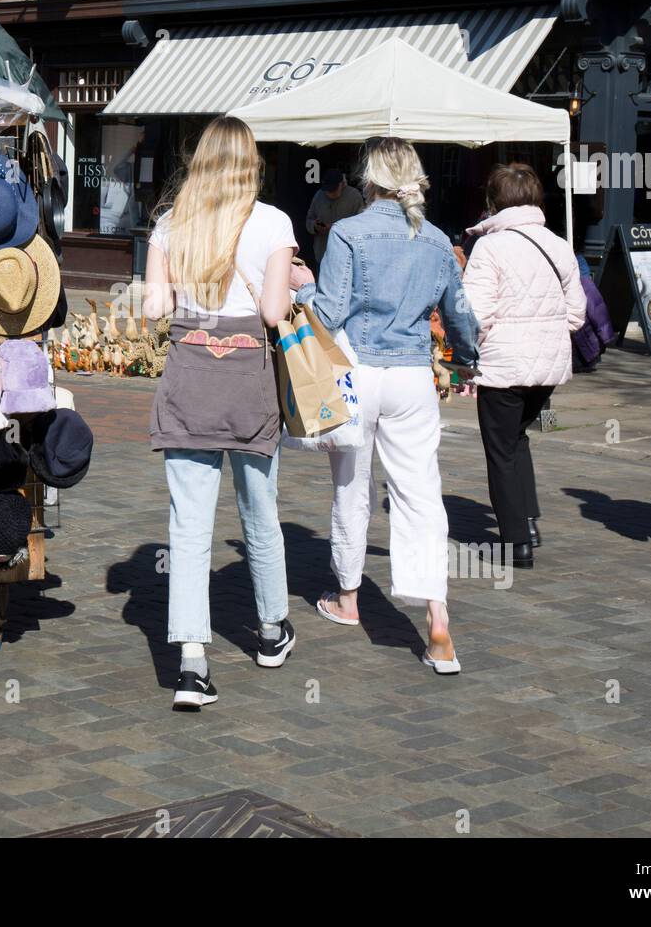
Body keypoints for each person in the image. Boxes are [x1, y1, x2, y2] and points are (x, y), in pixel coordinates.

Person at [288, 138, 479, 675]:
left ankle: (349, 598)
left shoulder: (349, 232)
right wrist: (466, 361)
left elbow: (327, 314)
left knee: (353, 486)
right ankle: (437, 620)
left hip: (359, 374)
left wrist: (302, 287)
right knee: (420, 494)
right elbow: (460, 317)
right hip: (413, 376)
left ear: (369, 180)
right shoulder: (439, 241)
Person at [143, 116, 297, 710]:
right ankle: (270, 629)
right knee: (260, 510)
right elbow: (275, 314)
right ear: (249, 162)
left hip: (189, 377)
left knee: (188, 526)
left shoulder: (170, 223)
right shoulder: (273, 223)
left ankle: (190, 665)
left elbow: (157, 306)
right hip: (247, 382)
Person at [462, 163, 586, 570]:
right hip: (547, 366)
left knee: (500, 449)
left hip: (504, 364)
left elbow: (475, 315)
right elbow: (577, 313)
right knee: (517, 439)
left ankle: (516, 540)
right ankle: (528, 521)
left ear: (494, 201)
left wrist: (468, 355)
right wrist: (549, 336)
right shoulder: (558, 243)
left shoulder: (491, 247)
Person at [305, 168, 364, 266]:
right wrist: (315, 226)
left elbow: (361, 225)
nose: (330, 193)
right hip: (322, 255)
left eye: (333, 189)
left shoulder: (354, 196)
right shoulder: (319, 195)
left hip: (345, 258)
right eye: (327, 190)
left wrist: (335, 228)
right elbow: (309, 219)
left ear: (342, 184)